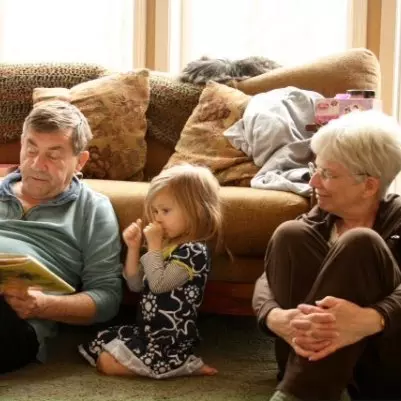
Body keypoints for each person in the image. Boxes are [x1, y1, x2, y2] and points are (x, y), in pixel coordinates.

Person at [252, 110, 401, 401]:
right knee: (288, 234)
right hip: (307, 356)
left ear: (369, 186)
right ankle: (320, 385)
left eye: (328, 174)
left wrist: (374, 317)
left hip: (380, 368)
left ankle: (300, 393)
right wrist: (274, 316)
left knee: (361, 243)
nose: (313, 182)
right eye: (314, 168)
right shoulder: (317, 220)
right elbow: (265, 279)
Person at [0, 101, 122, 374]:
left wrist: (44, 306)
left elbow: (107, 298)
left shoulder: (93, 209)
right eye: (31, 149)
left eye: (53, 155)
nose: (36, 164)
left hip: (15, 319)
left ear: (80, 161)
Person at [79, 164, 223, 379]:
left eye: (165, 211)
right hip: (147, 332)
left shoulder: (194, 251)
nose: (157, 218)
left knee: (106, 363)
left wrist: (153, 246)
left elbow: (158, 285)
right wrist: (134, 247)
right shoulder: (165, 248)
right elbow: (135, 284)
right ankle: (154, 362)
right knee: (100, 342)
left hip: (168, 338)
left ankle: (182, 365)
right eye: (155, 211)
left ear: (196, 210)